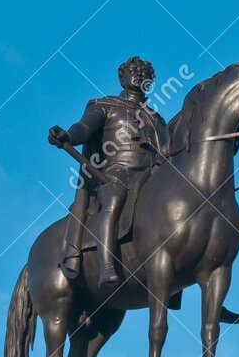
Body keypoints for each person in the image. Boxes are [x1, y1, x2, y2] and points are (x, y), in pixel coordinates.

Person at [50, 56, 167, 289]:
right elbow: (84, 127)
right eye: (133, 70)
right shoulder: (104, 105)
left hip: (152, 174)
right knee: (113, 197)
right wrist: (68, 136)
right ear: (121, 77)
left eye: (144, 72)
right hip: (118, 172)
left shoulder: (157, 120)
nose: (139, 74)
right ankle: (107, 266)